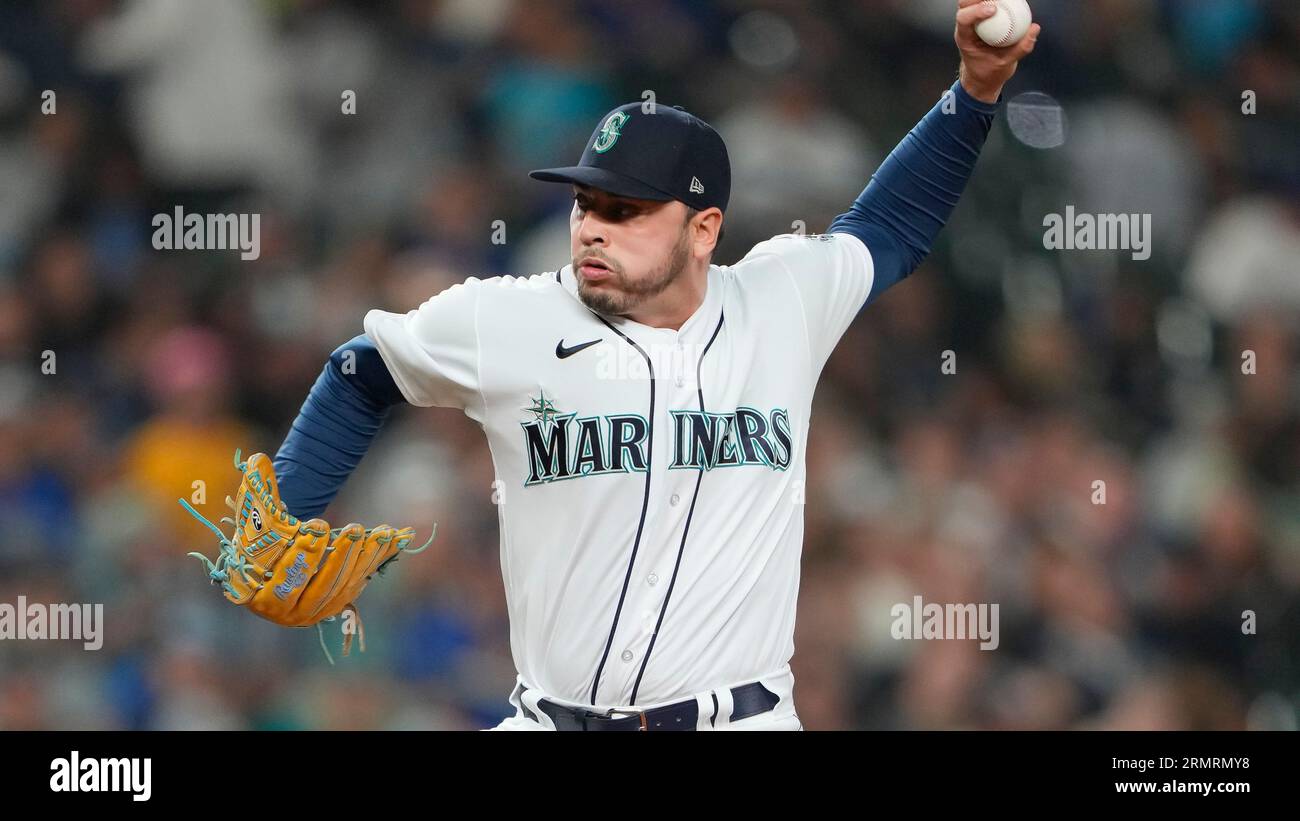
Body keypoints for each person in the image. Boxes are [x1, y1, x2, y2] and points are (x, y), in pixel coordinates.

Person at [269, 0, 1039, 730]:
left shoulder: (781, 300)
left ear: (704, 230)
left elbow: (893, 223)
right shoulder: (506, 317)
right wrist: (288, 514)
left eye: (626, 211)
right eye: (586, 205)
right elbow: (358, 372)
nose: (593, 230)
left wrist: (975, 90)